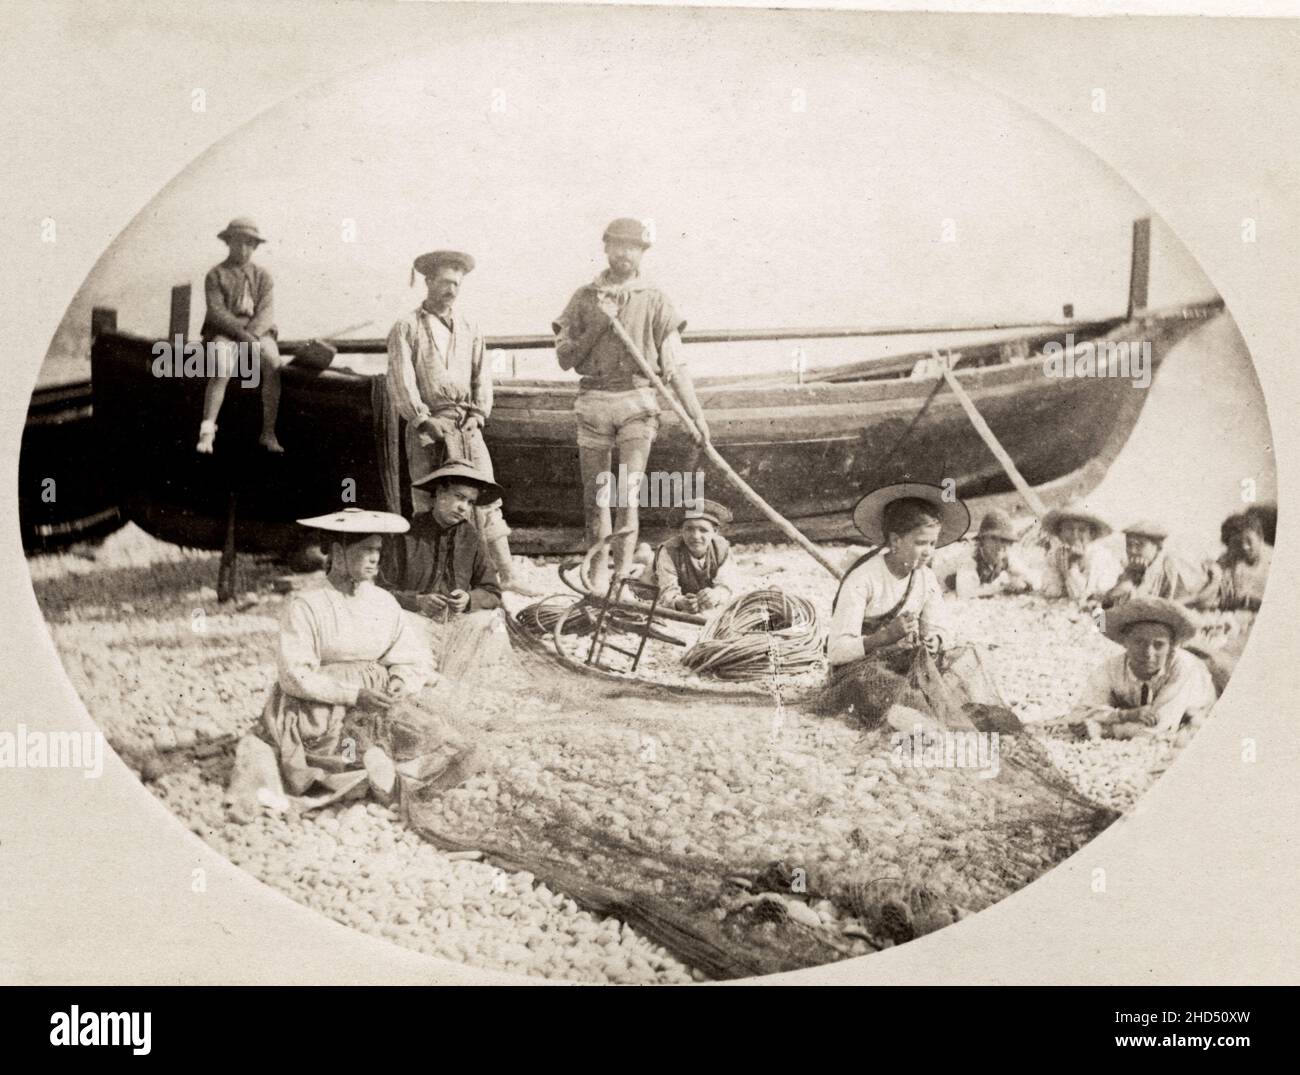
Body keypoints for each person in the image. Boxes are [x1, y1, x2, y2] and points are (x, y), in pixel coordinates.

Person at [224, 508, 482, 821]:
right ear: (338, 551)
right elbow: (295, 674)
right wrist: (354, 695)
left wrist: (400, 678)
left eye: (378, 550)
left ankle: (391, 772)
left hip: (377, 700)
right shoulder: (307, 603)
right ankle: (365, 772)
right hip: (320, 706)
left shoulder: (382, 601)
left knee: (439, 741)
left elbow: (407, 653)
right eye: (366, 551)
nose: (375, 559)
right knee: (350, 752)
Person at [552, 217, 712, 596]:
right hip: (593, 402)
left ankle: (621, 579)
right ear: (606, 247)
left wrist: (697, 416)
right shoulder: (584, 297)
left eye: (633, 247)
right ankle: (597, 578)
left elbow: (674, 365)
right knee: (596, 499)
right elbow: (565, 359)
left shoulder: (654, 298)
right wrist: (599, 325)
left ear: (642, 253)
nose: (624, 253)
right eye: (617, 245)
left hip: (639, 403)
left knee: (626, 497)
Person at [386, 250, 537, 596]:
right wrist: (422, 418)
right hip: (429, 424)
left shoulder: (469, 327)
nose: (451, 290)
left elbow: (482, 375)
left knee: (484, 497)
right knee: (429, 501)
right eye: (444, 282)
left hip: (466, 425)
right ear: (428, 282)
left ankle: (507, 574)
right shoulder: (406, 327)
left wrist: (478, 415)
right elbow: (402, 379)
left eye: (456, 283)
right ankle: (431, 578)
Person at [818, 483, 1019, 734]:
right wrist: (883, 637)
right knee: (884, 688)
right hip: (859, 670)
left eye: (933, 544)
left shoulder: (925, 578)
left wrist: (936, 639)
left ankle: (930, 714)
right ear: (895, 540)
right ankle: (925, 716)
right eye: (921, 543)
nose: (928, 552)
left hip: (905, 662)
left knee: (973, 656)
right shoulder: (864, 578)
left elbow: (943, 628)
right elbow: (836, 651)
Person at [1056, 597, 1217, 741]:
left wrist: (1106, 729)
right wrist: (1125, 715)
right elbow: (1077, 714)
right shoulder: (1111, 669)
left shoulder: (1182, 667)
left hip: (1205, 694)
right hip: (1137, 708)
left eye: (1159, 645)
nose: (1148, 653)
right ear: (1125, 642)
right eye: (1139, 642)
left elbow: (1160, 726)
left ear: (1171, 647)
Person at [196, 217, 286, 454]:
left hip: (258, 332)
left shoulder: (263, 276)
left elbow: (266, 312)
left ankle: (268, 433)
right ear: (228, 243)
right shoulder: (216, 275)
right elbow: (216, 312)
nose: (243, 249)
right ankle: (207, 433)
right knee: (222, 365)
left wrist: (253, 336)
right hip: (225, 332)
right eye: (238, 243)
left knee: (273, 363)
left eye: (249, 244)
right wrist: (242, 336)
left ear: (255, 247)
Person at [652, 499, 739, 613]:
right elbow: (666, 591)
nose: (696, 536)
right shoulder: (669, 551)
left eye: (703, 530)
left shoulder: (721, 548)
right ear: (681, 530)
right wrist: (679, 602)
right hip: (656, 577)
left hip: (701, 591)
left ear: (715, 531)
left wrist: (716, 595)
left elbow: (728, 585)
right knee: (645, 573)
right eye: (689, 529)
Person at [1102, 519, 1212, 608]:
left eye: (1139, 545)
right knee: (1097, 610)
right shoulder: (1132, 569)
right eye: (1129, 545)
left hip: (1164, 620)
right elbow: (1111, 602)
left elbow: (1162, 603)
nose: (1132, 551)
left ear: (1158, 547)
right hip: (1134, 620)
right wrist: (1129, 578)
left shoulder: (1169, 565)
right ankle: (1097, 634)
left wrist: (1129, 587)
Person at [1191, 510, 1272, 613]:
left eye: (1249, 541)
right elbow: (1215, 571)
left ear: (1260, 537)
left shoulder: (1271, 559)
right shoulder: (1231, 558)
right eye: (1238, 543)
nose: (1245, 547)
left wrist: (1247, 601)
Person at [946, 509, 1038, 599]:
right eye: (994, 539)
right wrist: (1002, 587)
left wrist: (1021, 582)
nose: (999, 545)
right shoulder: (970, 557)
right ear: (982, 539)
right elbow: (965, 593)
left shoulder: (1004, 556)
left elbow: (1032, 578)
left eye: (1005, 540)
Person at [1040, 504, 1122, 606]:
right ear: (1060, 533)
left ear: (1091, 534)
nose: (1075, 535)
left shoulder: (1101, 556)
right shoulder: (1055, 555)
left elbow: (1083, 598)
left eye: (1082, 530)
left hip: (1100, 614)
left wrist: (1071, 568)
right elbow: (1051, 591)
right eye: (1069, 529)